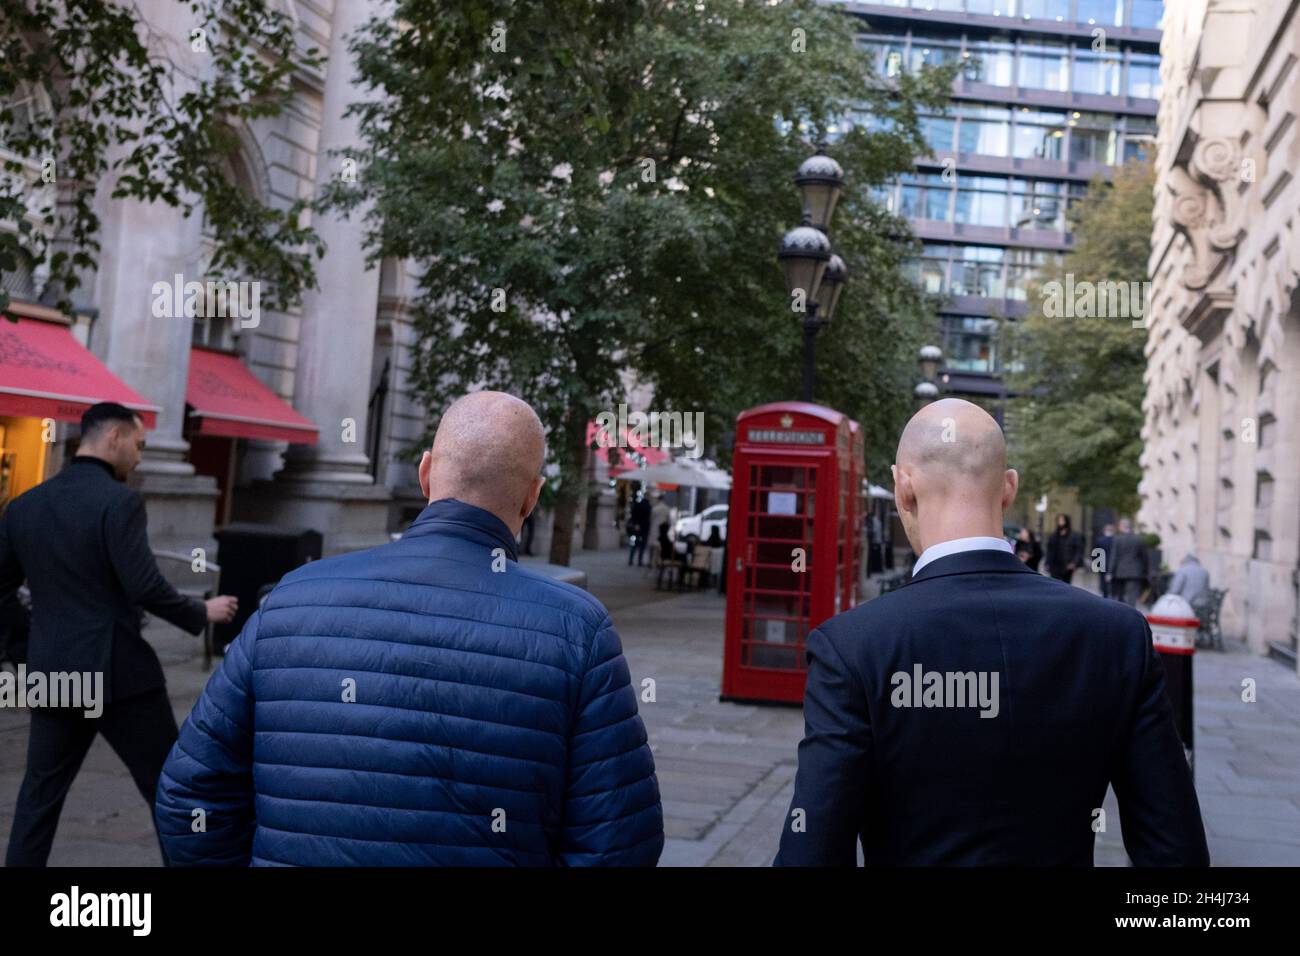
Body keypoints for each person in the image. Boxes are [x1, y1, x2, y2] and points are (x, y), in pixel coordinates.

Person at [155, 391, 663, 866]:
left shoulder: (289, 598)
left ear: (425, 475)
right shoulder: (579, 630)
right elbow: (617, 841)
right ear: (532, 498)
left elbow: (190, 796)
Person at [774, 398, 1208, 866]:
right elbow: (1176, 851)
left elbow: (811, 852)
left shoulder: (853, 645)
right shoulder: (1118, 634)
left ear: (903, 489)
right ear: (1008, 489)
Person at [0, 402, 238, 867]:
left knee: (38, 798)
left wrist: (29, 648)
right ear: (113, 438)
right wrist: (199, 611)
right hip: (119, 675)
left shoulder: (23, 505)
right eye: (139, 444)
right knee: (169, 789)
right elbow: (143, 583)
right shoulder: (118, 501)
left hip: (55, 675)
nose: (140, 456)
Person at [1109, 517, 1150, 607]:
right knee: (1132, 596)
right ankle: (1131, 614)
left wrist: (1110, 572)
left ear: (1122, 526)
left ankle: (1121, 613)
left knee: (1120, 596)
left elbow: (1114, 556)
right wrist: (1145, 571)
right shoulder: (1139, 539)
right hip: (1135, 572)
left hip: (1120, 571)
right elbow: (1144, 557)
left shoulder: (1117, 539)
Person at [1045, 512, 1083, 584]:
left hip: (1067, 566)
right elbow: (1049, 550)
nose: (1060, 522)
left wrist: (1074, 563)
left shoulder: (1074, 536)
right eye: (1059, 520)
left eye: (1062, 520)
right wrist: (1047, 563)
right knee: (1054, 584)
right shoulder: (1053, 536)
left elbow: (1078, 550)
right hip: (1055, 565)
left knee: (1066, 585)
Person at [628, 491, 652, 566]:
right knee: (642, 545)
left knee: (634, 544)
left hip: (638, 527)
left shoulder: (638, 504)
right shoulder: (648, 506)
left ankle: (631, 560)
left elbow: (633, 515)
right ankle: (639, 561)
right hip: (644, 528)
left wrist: (635, 524)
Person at [1095, 523, 1116, 598]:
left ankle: (1105, 596)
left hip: (1102, 564)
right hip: (1113, 565)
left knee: (1103, 583)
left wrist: (1096, 566)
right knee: (1113, 583)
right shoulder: (1116, 540)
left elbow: (1096, 553)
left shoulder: (1100, 540)